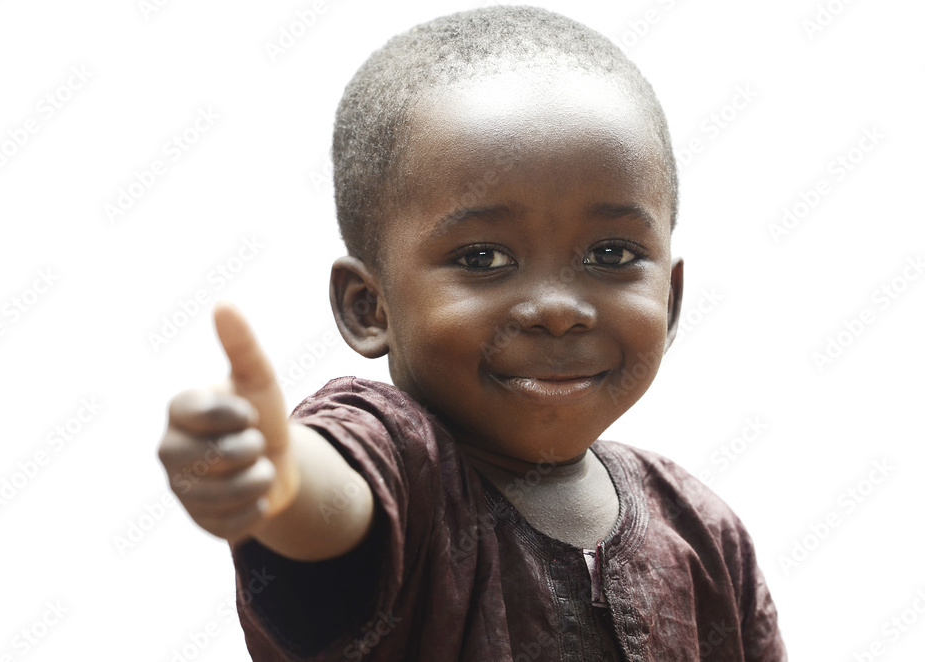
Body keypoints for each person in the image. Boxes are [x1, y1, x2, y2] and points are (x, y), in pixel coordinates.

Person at [158, 6, 787, 660]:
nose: (557, 309)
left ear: (672, 298)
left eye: (612, 255)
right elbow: (338, 503)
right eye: (483, 258)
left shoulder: (705, 535)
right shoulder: (401, 465)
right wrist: (277, 471)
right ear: (368, 306)